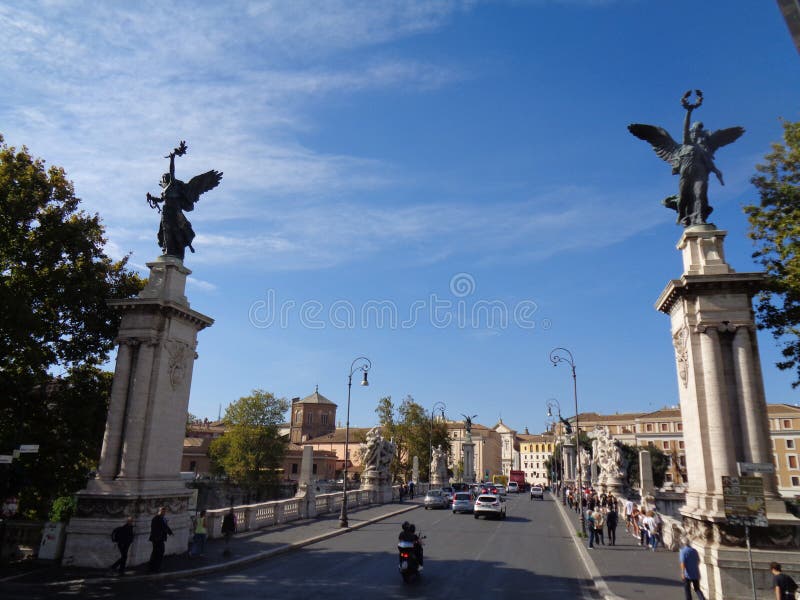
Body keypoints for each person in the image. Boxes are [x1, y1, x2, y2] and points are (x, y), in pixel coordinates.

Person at [148, 506, 173, 573]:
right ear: (159, 511)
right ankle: (155, 567)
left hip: (158, 538)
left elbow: (165, 526)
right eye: (162, 511)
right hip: (157, 538)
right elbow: (163, 527)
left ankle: (155, 567)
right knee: (158, 552)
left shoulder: (161, 518)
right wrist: (169, 532)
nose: (164, 513)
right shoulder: (157, 518)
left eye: (164, 511)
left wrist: (170, 532)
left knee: (157, 552)